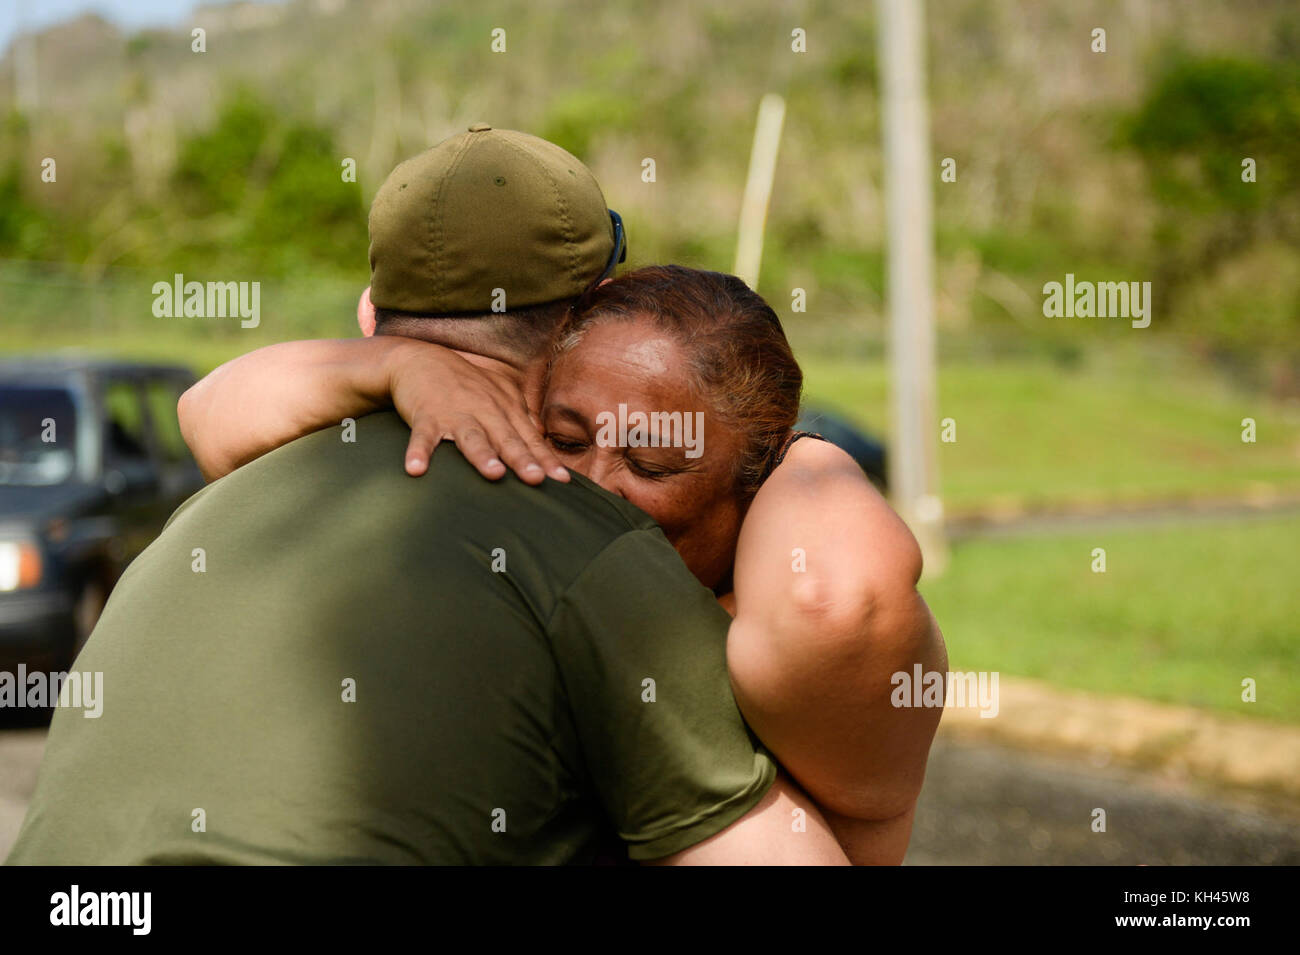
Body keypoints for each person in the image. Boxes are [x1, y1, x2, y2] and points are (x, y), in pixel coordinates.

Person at [6, 127, 848, 865]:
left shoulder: (216, 508)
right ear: (588, 322)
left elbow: (208, 410)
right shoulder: (580, 540)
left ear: (371, 313)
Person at [179, 263, 949, 863]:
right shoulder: (546, 583)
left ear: (752, 492)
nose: (590, 487)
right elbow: (209, 416)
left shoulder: (776, 646)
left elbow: (835, 599)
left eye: (650, 463)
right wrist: (399, 367)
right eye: (568, 438)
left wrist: (808, 460)